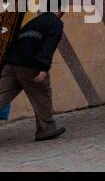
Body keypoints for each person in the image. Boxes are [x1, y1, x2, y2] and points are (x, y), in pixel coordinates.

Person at [0, 9, 66, 141]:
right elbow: (49, 45)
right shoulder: (55, 23)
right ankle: (46, 130)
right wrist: (44, 68)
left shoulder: (32, 22)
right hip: (30, 66)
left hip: (11, 65)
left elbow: (15, 42)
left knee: (2, 96)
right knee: (42, 96)